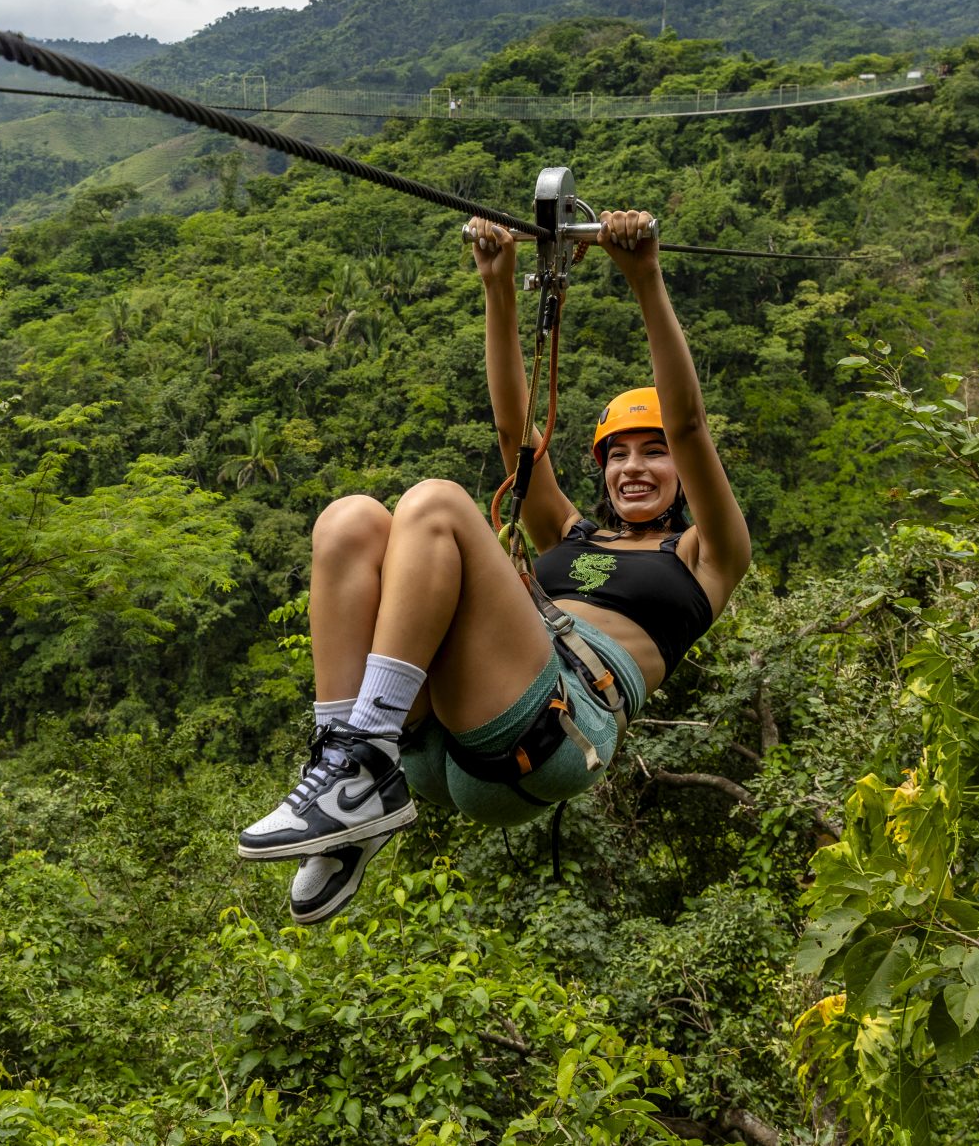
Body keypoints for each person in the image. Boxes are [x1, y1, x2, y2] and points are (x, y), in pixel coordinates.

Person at [237, 210, 751, 922]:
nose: (634, 468)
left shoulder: (707, 554)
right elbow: (516, 432)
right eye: (619, 455)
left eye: (654, 453)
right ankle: (348, 781)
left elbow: (690, 424)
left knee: (437, 503)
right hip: (445, 734)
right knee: (348, 521)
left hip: (554, 729)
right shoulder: (569, 532)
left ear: (683, 470)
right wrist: (499, 285)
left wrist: (645, 277)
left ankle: (359, 770)